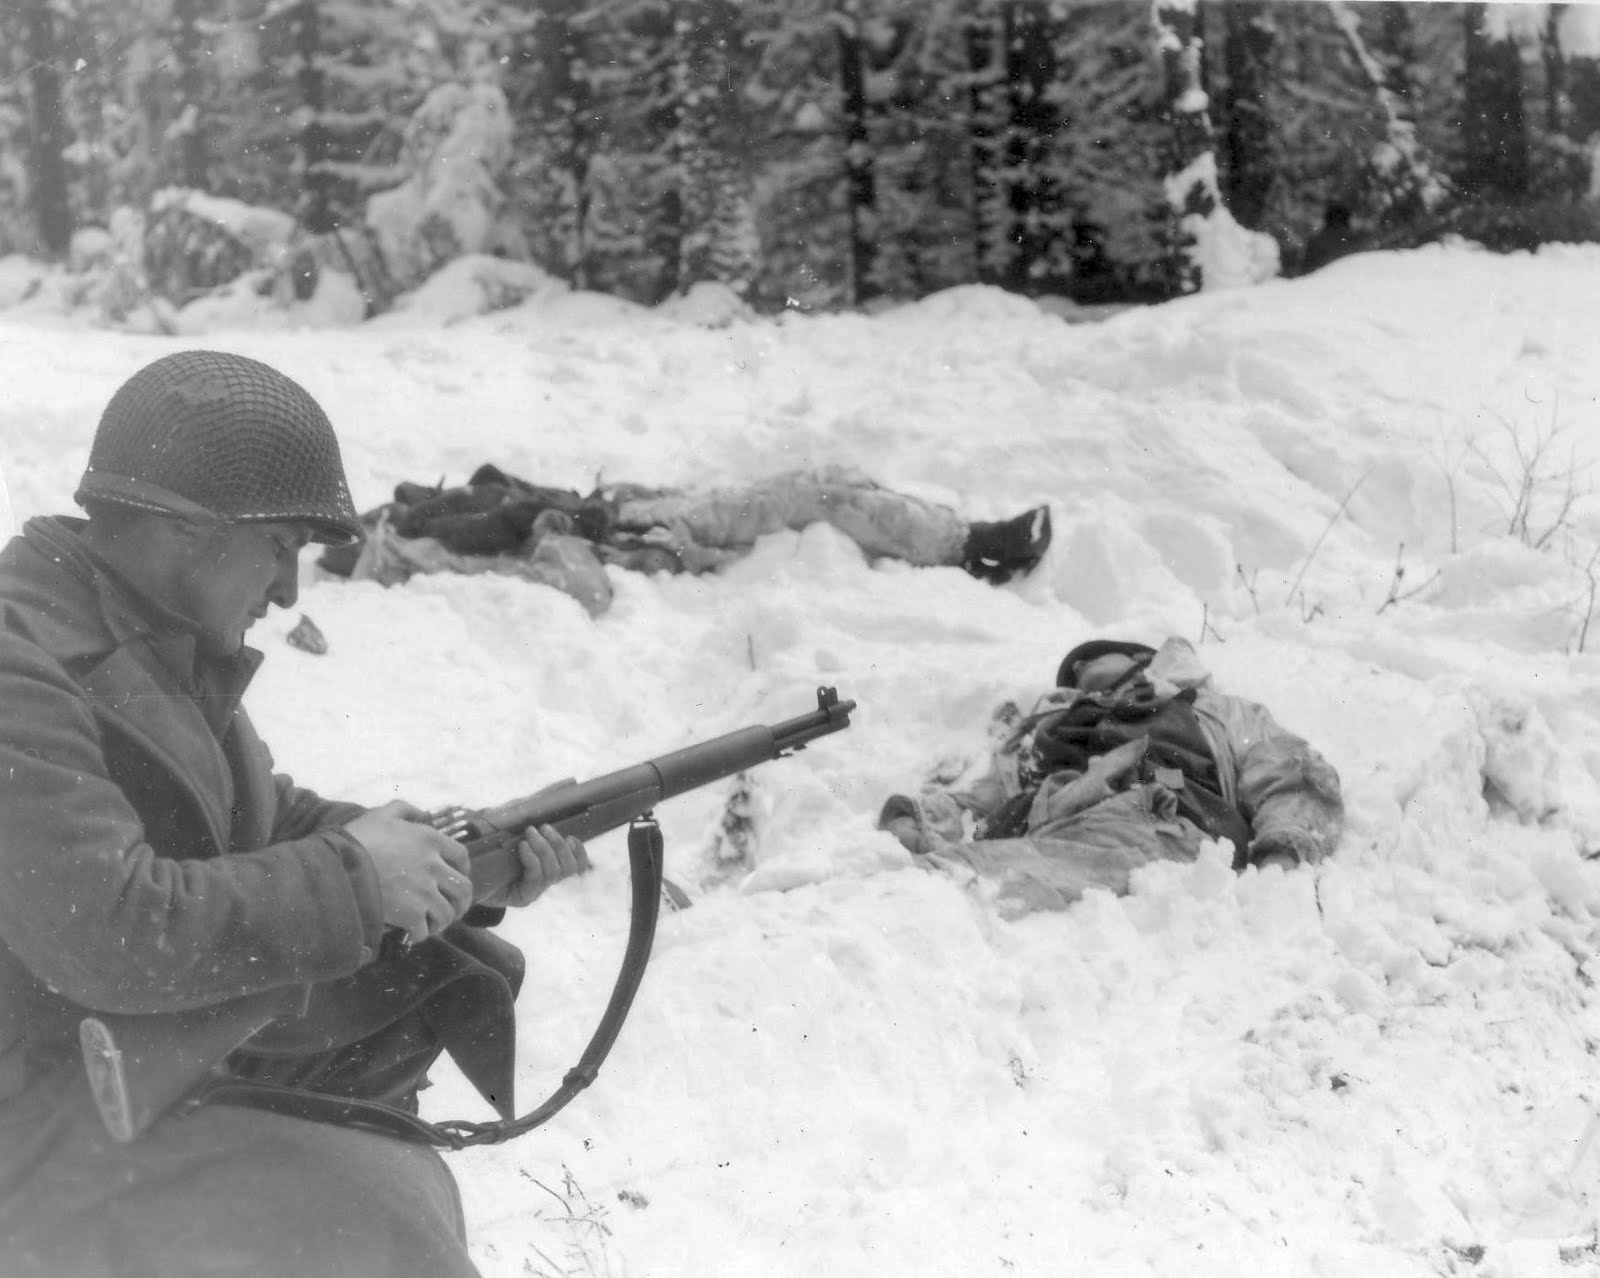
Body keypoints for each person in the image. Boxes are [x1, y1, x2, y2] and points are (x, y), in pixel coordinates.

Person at [0, 350, 591, 1277]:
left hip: (108, 1075)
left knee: (408, 1048)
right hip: (30, 1120)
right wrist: (361, 876)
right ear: (181, 530)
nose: (289, 592)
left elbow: (263, 821)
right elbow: (107, 927)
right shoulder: (18, 661)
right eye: (279, 545)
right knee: (376, 1209)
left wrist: (453, 855)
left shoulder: (143, 632)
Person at [880, 636, 1344, 917]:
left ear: (1141, 660)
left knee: (950, 893)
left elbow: (1293, 772)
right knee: (938, 889)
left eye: (1093, 658)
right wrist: (923, 821)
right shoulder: (1049, 731)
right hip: (1057, 830)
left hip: (1161, 818)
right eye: (1072, 673)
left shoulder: (1216, 712)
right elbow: (980, 804)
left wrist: (1283, 854)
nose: (1079, 669)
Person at [317, 462, 1054, 616]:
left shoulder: (411, 521)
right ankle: (972, 547)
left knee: (821, 477)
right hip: (638, 528)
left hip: (628, 509)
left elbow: (500, 494)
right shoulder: (408, 544)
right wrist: (556, 522)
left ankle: (956, 537)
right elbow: (568, 576)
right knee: (807, 491)